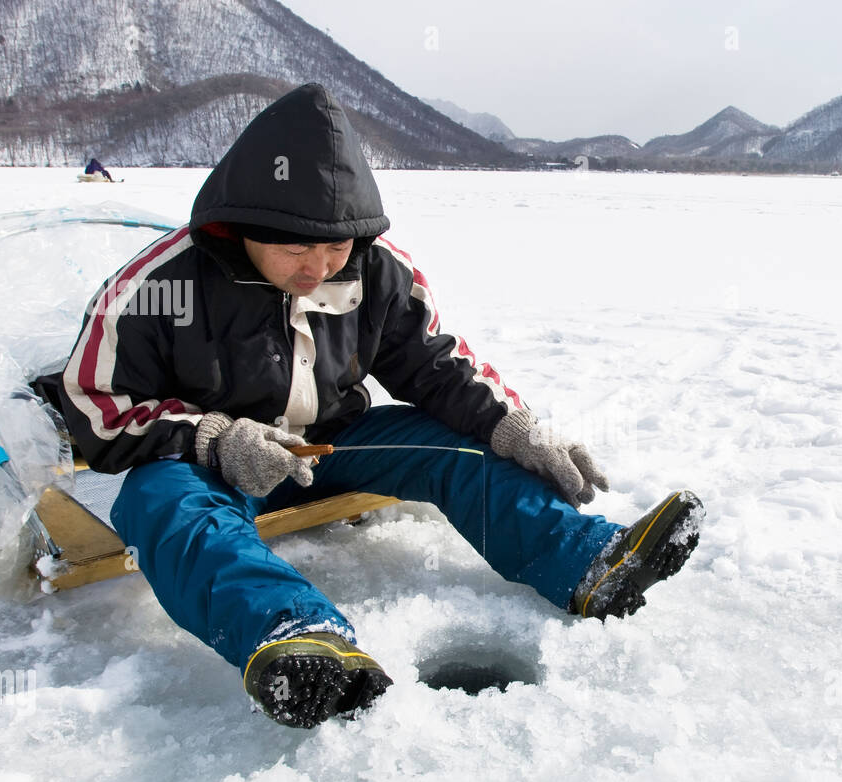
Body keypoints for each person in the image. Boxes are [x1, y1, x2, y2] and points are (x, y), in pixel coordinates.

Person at [58, 84, 703, 729]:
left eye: (335, 251)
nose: (318, 270)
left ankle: (587, 560)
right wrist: (214, 439)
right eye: (294, 252)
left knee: (450, 446)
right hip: (213, 466)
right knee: (159, 502)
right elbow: (95, 406)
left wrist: (517, 428)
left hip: (334, 442)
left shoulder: (379, 271)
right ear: (243, 228)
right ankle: (293, 636)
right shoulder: (156, 286)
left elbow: (437, 367)